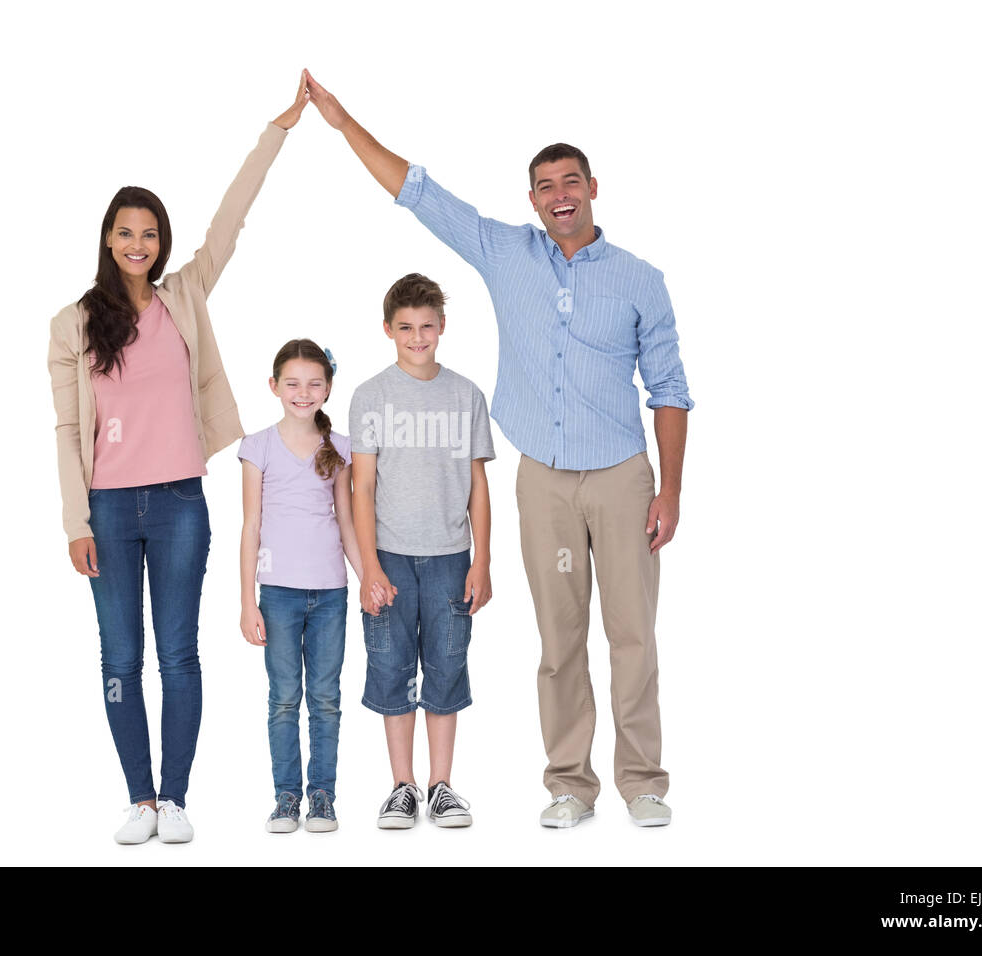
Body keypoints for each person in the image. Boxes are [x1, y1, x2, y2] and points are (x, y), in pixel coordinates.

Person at [306, 70, 694, 829]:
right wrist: (343, 121)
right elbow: (417, 191)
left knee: (632, 633)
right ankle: (568, 786)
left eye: (571, 181)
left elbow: (671, 388)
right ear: (532, 200)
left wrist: (669, 489)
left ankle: (643, 781)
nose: (559, 194)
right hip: (542, 480)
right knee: (559, 637)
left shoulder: (641, 280)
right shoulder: (504, 251)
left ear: (592, 188)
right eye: (545, 184)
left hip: (620, 475)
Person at [46, 72, 308, 844]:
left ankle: (178, 797)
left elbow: (231, 220)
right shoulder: (72, 324)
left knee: (179, 654)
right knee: (121, 654)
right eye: (126, 233)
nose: (138, 244)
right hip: (108, 507)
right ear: (107, 238)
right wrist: (74, 522)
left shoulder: (183, 296)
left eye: (150, 234)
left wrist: (278, 130)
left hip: (179, 504)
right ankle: (140, 799)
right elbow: (66, 433)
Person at [348, 273, 495, 829]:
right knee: (389, 667)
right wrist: (368, 568)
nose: (417, 337)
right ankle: (401, 786)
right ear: (388, 330)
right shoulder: (371, 396)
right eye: (405, 327)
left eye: (426, 326)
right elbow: (361, 487)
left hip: (451, 555)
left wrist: (482, 560)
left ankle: (442, 786)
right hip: (389, 556)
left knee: (447, 664)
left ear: (442, 327)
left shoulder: (466, 395)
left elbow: (479, 485)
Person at [237, 339, 385, 833]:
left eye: (314, 383)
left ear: (327, 388)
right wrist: (246, 602)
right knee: (283, 698)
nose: (304, 393)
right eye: (293, 383)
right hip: (276, 593)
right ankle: (285, 799)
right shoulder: (256, 446)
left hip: (329, 594)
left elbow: (346, 520)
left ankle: (322, 796)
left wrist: (368, 579)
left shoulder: (340, 447)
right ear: (274, 386)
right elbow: (251, 525)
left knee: (324, 697)